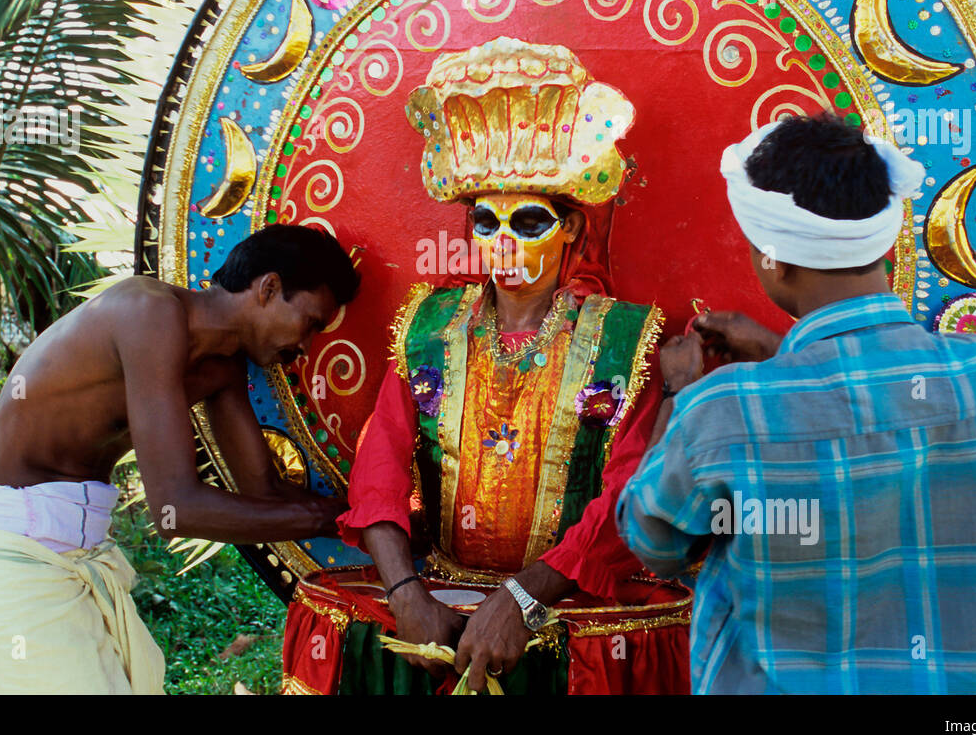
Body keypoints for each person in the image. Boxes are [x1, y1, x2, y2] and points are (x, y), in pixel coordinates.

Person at [279, 37, 693, 694]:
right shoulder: (429, 327)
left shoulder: (623, 339)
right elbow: (379, 472)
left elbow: (627, 500)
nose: (502, 244)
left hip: (566, 599)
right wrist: (408, 593)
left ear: (573, 232)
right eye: (484, 220)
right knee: (327, 609)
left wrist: (523, 600)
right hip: (441, 589)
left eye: (528, 221)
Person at [616, 112, 976, 693]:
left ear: (777, 261)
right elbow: (873, 417)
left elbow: (653, 540)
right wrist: (779, 354)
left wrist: (677, 394)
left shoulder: (723, 413)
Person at [0, 224, 358, 693]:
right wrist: (332, 519)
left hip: (80, 556)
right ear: (268, 288)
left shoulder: (222, 367)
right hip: (13, 559)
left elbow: (262, 491)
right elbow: (175, 509)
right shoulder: (148, 311)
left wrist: (368, 515)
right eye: (311, 323)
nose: (306, 347)